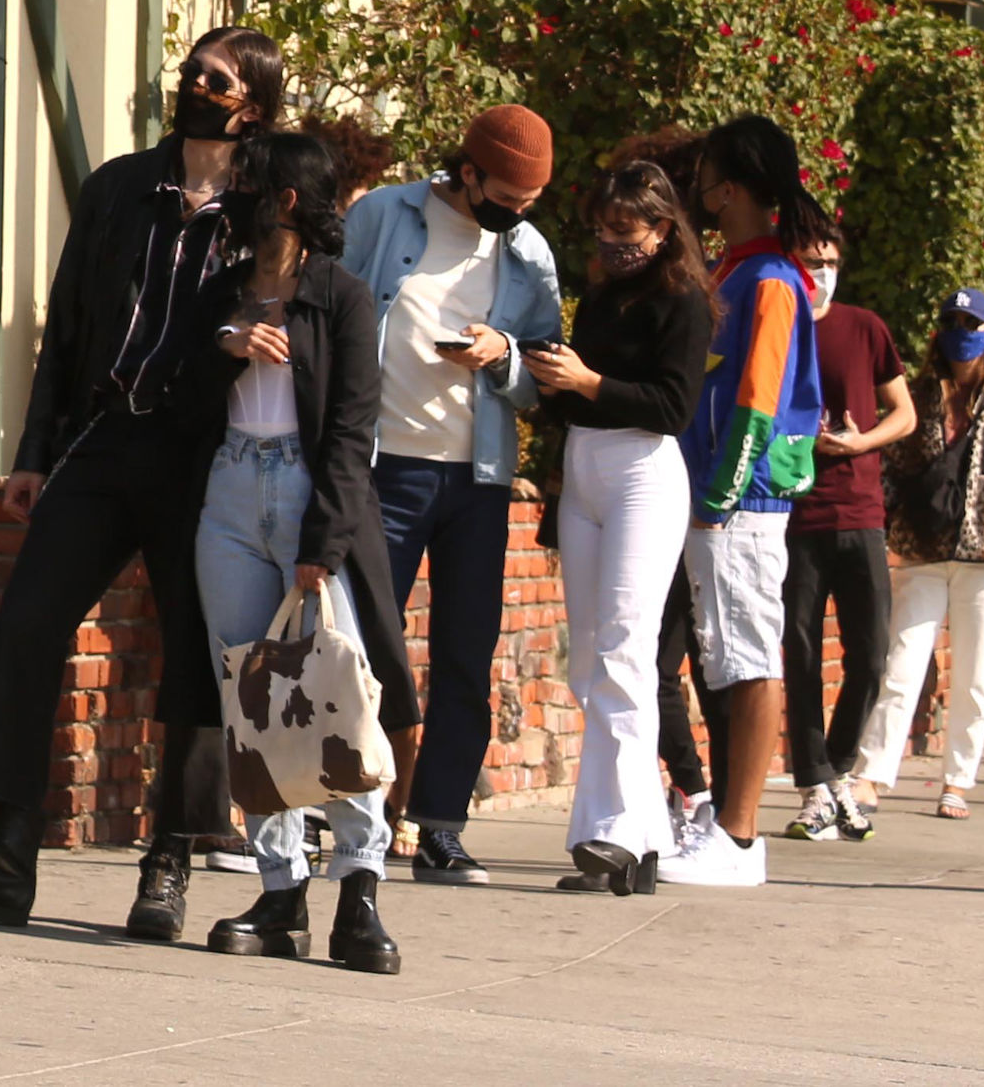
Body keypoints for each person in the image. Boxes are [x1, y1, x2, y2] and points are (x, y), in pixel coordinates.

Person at [0, 26, 291, 942]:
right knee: (25, 626)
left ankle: (169, 864)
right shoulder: (118, 188)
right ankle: (6, 852)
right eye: (189, 70)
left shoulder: (265, 212)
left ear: (252, 107)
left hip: (204, 458)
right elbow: (64, 328)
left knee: (189, 653)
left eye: (215, 79)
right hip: (105, 443)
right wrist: (33, 450)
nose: (191, 84)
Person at [185, 130, 412, 976]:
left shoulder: (342, 298)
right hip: (230, 494)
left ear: (285, 200)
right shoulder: (221, 292)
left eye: (249, 181)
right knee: (251, 693)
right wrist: (225, 347)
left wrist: (323, 543)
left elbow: (353, 431)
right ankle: (280, 888)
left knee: (336, 691)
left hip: (309, 495)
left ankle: (360, 887)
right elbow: (179, 399)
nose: (232, 190)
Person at [342, 105, 567, 885]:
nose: (514, 214)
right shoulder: (381, 215)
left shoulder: (527, 251)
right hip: (383, 467)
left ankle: (438, 823)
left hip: (478, 477)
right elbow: (334, 314)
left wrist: (502, 356)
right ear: (466, 172)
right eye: (505, 195)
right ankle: (349, 816)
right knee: (362, 649)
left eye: (527, 202)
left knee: (466, 654)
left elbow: (542, 375)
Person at [526, 156, 714, 893]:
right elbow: (575, 402)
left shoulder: (686, 302)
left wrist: (588, 382)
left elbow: (672, 407)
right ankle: (636, 836)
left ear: (662, 228)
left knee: (626, 656)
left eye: (624, 228)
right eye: (601, 228)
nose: (609, 241)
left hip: (643, 471)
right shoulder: (602, 299)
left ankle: (610, 834)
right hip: (585, 468)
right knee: (587, 663)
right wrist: (550, 381)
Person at [669, 115, 829, 886]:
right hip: (723, 499)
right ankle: (726, 823)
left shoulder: (766, 280)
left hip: (739, 501)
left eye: (704, 172)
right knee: (727, 657)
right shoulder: (742, 269)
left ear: (727, 187)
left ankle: (736, 835)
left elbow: (757, 399)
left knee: (746, 660)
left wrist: (720, 495)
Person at [850, 291, 984, 819]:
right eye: (952, 321)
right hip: (924, 551)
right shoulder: (916, 396)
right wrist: (894, 524)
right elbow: (891, 469)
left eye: (972, 323)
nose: (961, 331)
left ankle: (957, 781)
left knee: (976, 674)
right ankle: (872, 774)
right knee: (901, 664)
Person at [779, 219, 914, 841]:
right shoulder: (775, 322)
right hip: (794, 513)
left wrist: (861, 441)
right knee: (800, 651)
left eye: (831, 260)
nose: (821, 271)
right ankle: (813, 786)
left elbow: (904, 413)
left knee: (872, 653)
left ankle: (835, 773)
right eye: (811, 259)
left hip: (860, 511)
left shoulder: (865, 328)